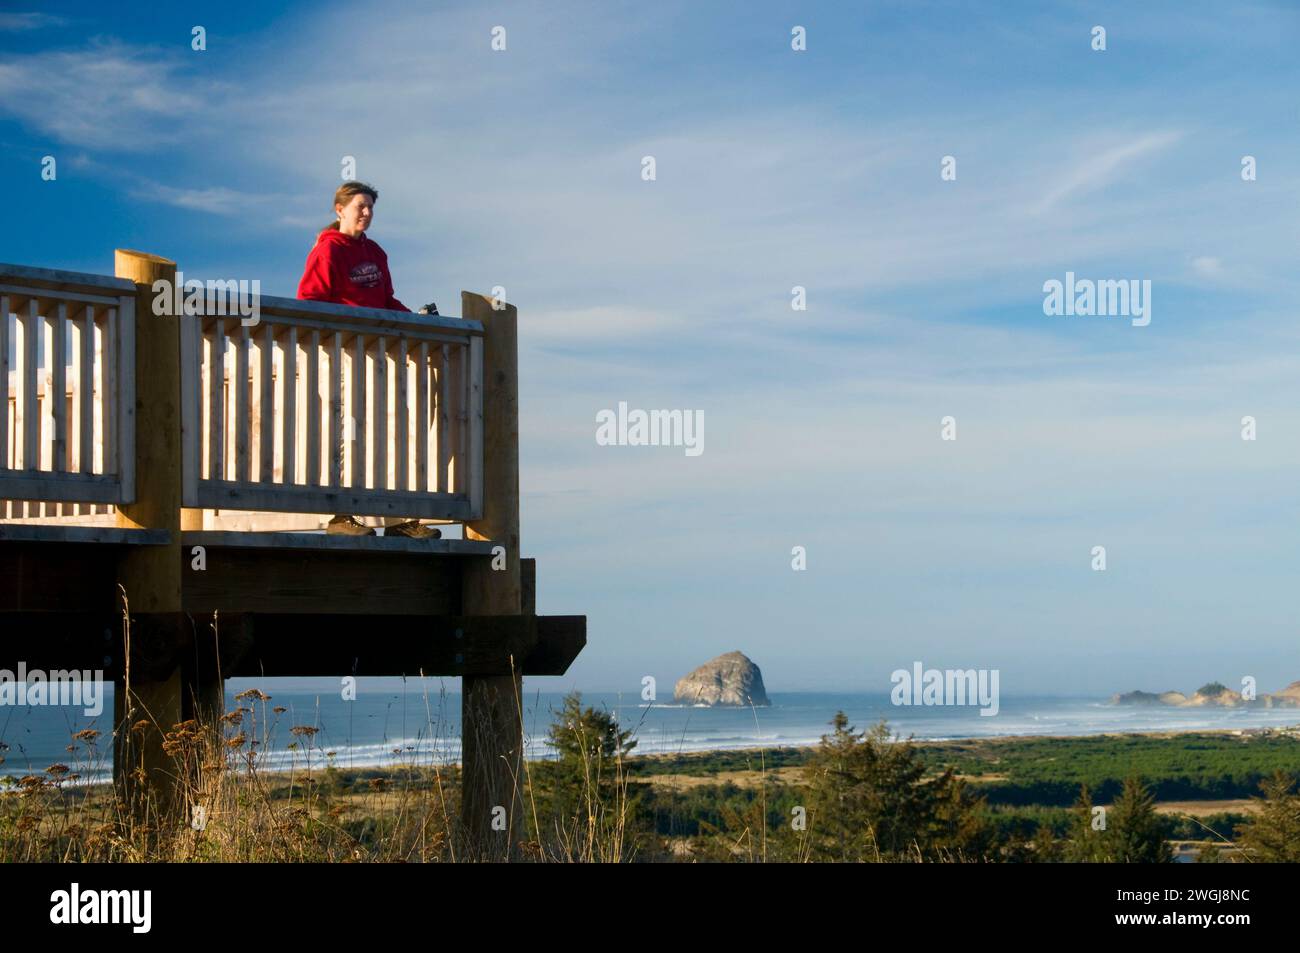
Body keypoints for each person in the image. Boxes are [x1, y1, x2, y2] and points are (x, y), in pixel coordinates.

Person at [297, 180, 440, 539]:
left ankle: (397, 520)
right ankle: (341, 516)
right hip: (342, 352)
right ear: (340, 209)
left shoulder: (376, 252)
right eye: (360, 205)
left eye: (370, 207)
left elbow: (386, 300)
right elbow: (309, 299)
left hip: (380, 354)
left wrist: (414, 319)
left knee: (391, 432)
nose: (366, 213)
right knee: (346, 433)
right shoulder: (328, 251)